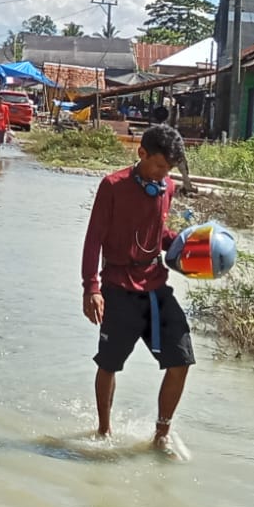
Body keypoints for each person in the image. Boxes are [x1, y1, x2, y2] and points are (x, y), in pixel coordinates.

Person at [80, 123, 193, 454]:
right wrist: (92, 288)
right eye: (158, 165)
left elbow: (157, 235)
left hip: (155, 287)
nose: (162, 174)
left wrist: (189, 244)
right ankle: (104, 431)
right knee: (109, 364)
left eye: (168, 169)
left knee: (181, 359)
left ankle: (161, 434)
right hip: (117, 286)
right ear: (141, 153)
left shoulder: (167, 188)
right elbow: (93, 240)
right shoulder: (112, 186)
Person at [148, 105, 195, 194]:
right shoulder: (172, 131)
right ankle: (187, 186)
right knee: (184, 171)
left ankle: (163, 186)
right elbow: (179, 143)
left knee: (162, 170)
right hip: (175, 154)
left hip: (165, 156)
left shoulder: (153, 132)